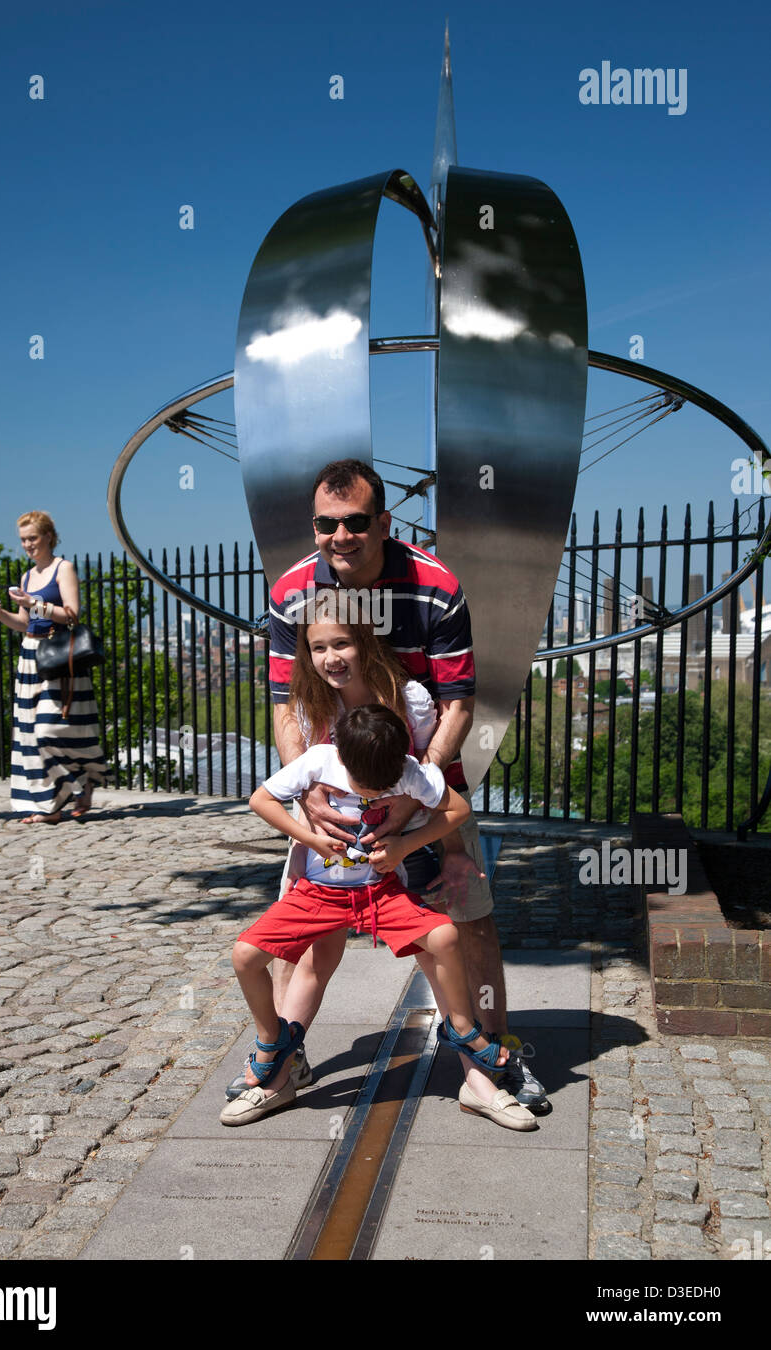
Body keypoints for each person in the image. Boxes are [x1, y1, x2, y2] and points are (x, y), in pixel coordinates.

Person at [267, 458, 547, 1112]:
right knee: (298, 927)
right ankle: (281, 1063)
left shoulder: (435, 585)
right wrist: (306, 792)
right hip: (330, 788)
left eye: (356, 522)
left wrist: (407, 788)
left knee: (467, 920)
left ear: (384, 522)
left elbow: (459, 704)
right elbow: (285, 704)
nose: (341, 535)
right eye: (326, 524)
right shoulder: (290, 592)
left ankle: (488, 1067)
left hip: (424, 784)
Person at [220, 704, 536, 1131]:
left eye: (383, 786)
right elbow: (261, 799)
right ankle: (273, 1043)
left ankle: (463, 1028)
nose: (374, 790)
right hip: (319, 892)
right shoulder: (319, 760)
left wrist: (405, 846)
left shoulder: (407, 769)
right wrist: (311, 839)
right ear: (342, 757)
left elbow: (457, 810)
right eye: (364, 785)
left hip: (379, 892)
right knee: (245, 955)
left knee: (443, 936)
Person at [0, 511, 107, 823]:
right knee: (29, 733)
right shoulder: (27, 577)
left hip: (59, 656)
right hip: (31, 653)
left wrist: (35, 603)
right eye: (23, 540)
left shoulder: (63, 567)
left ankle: (81, 780)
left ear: (48, 537)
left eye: (32, 538)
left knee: (49, 730)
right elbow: (23, 623)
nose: (27, 544)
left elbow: (72, 614)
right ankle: (50, 804)